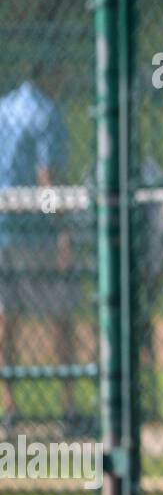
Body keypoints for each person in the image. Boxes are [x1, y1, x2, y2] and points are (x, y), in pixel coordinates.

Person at [0, 62, 86, 436]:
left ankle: (9, 410)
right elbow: (47, 179)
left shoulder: (5, 108)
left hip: (3, 225)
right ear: (48, 74)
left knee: (6, 317)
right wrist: (62, 230)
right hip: (35, 231)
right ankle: (68, 409)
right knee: (61, 316)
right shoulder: (46, 112)